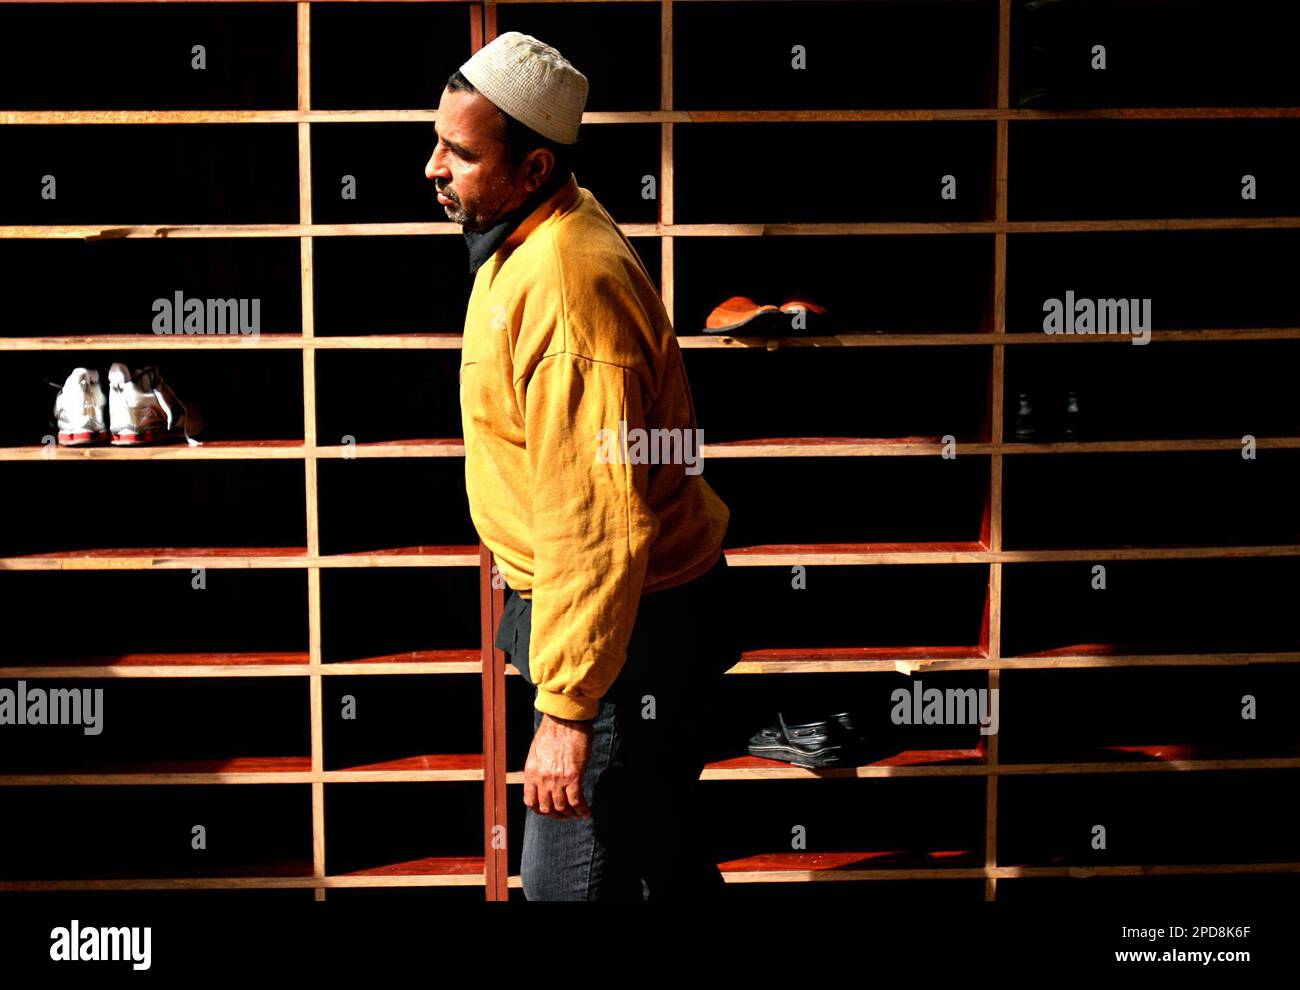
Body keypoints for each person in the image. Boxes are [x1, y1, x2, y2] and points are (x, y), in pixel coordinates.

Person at [425, 31, 737, 900]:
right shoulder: (532, 229)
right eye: (438, 140)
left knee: (566, 882)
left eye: (460, 152)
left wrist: (566, 713)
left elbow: (598, 527)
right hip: (622, 625)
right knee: (659, 863)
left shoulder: (565, 288)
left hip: (623, 638)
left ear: (533, 169)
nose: (433, 169)